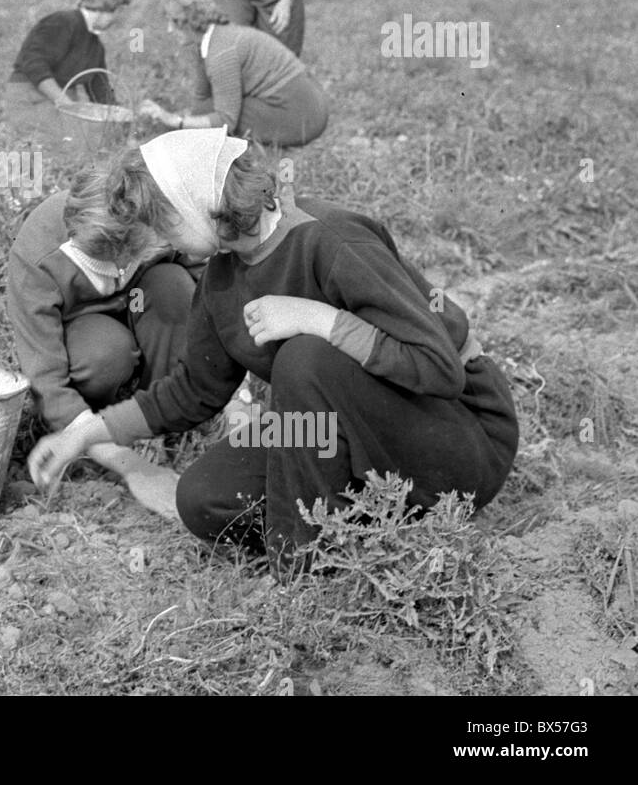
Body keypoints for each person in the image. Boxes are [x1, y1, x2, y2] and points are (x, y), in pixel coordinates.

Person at [28, 129, 519, 570]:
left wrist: (322, 320)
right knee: (204, 500)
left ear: (200, 201)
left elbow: (438, 369)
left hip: (456, 433)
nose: (157, 242)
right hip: (339, 431)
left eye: (165, 224)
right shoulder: (221, 277)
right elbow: (193, 391)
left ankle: (306, 562)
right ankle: (366, 525)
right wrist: (86, 432)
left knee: (305, 357)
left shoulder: (331, 238)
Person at [7, 168, 198, 516]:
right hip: (88, 331)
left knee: (174, 286)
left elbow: (209, 279)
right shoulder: (39, 257)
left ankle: (157, 406)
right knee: (106, 354)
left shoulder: (150, 213)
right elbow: (47, 383)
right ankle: (105, 422)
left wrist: (237, 390)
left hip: (140, 301)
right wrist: (134, 467)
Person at [139, 0, 328, 147]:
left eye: (175, 22)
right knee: (205, 112)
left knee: (214, 118)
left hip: (302, 114)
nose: (169, 30)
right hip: (305, 102)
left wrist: (175, 121)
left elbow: (225, 121)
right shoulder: (209, 39)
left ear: (192, 21)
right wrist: (186, 121)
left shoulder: (221, 52)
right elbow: (202, 99)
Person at [6, 0, 130, 108]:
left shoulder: (96, 48)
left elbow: (100, 91)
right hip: (30, 99)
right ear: (109, 7)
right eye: (119, 12)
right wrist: (62, 100)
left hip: (59, 103)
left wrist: (125, 112)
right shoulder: (63, 22)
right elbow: (34, 63)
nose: (117, 20)